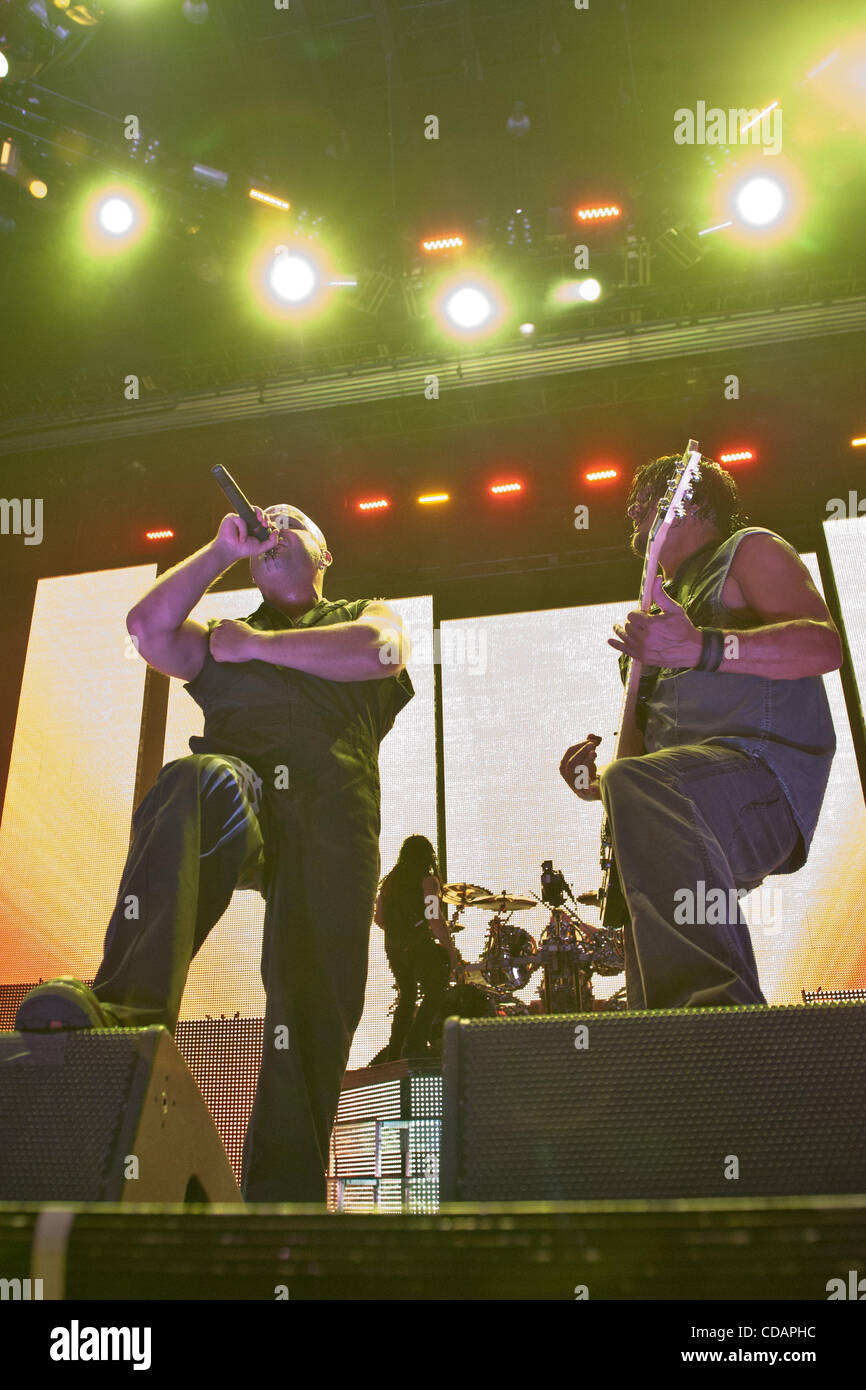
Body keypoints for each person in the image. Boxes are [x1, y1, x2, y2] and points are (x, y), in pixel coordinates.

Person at [15, 501, 413, 1202]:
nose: (272, 529)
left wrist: (258, 649)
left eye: (291, 521)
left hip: (332, 819)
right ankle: (129, 1012)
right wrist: (219, 551)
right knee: (197, 780)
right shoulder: (225, 634)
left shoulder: (355, 615)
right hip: (248, 795)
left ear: (325, 554)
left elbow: (382, 652)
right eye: (263, 523)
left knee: (314, 1004)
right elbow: (146, 628)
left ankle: (277, 1213)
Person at [559, 454, 841, 1011]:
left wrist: (702, 646)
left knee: (643, 787)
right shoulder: (654, 620)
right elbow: (638, 760)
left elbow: (822, 646)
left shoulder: (749, 550)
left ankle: (723, 1021)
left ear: (691, 501)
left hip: (763, 781)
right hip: (686, 800)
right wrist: (602, 784)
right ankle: (679, 1061)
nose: (634, 515)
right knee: (648, 983)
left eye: (647, 500)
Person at [370, 835, 461, 1062]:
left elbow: (379, 918)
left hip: (393, 947)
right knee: (436, 990)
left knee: (407, 995)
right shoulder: (428, 881)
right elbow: (433, 918)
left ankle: (394, 1051)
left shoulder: (390, 882)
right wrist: (450, 948)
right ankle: (416, 1044)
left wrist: (399, 933)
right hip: (417, 945)